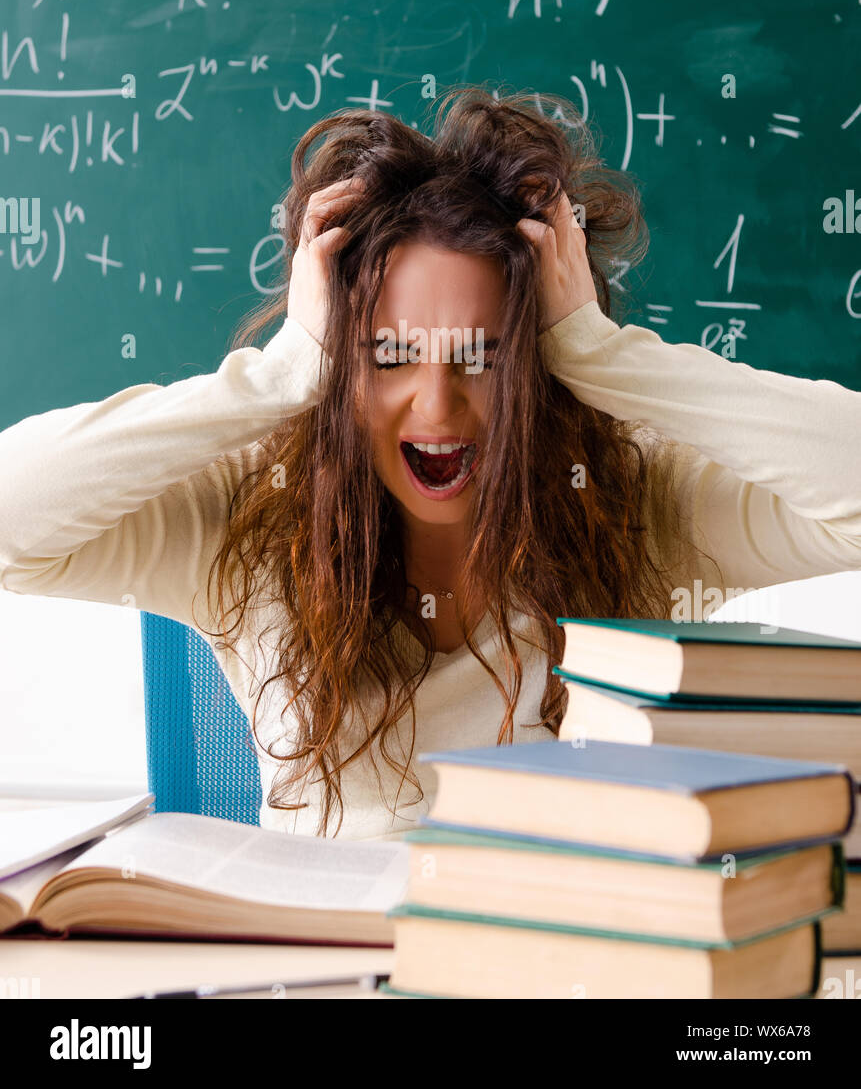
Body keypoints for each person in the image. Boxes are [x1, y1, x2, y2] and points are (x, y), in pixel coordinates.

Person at [1, 86, 860, 841]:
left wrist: (601, 354)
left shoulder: (640, 505)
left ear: (541, 362)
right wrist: (280, 375)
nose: (438, 405)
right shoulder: (249, 510)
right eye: (391, 353)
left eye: (484, 356)